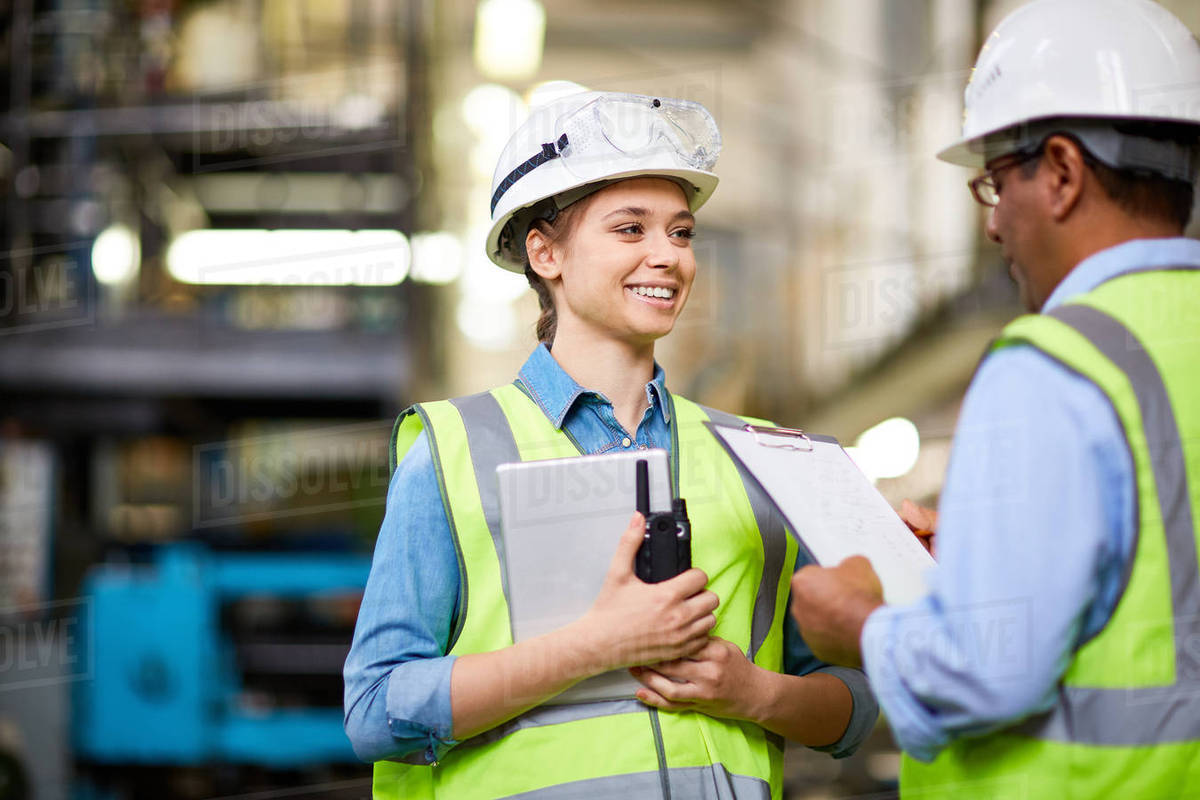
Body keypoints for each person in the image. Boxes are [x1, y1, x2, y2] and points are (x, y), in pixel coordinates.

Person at [344, 90, 878, 799]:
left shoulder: (760, 458)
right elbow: (377, 710)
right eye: (631, 230)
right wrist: (597, 645)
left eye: (681, 234)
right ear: (545, 251)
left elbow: (851, 707)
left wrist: (752, 692)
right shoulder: (453, 452)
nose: (668, 257)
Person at [788, 0, 1200, 796]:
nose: (992, 226)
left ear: (1061, 172)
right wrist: (971, 574)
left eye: (992, 184)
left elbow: (991, 671)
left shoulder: (1053, 364)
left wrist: (863, 627)